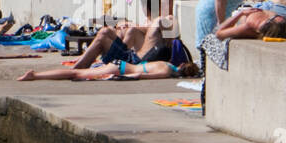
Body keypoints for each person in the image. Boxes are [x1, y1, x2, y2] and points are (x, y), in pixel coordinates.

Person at [64, 17, 175, 70]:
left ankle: (77, 67)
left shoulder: (157, 27)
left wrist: (133, 26)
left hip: (133, 60)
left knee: (103, 34)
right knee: (105, 31)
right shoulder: (152, 32)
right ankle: (80, 61)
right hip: (131, 55)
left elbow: (168, 23)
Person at [19, 60, 200, 82]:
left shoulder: (166, 63)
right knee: (76, 74)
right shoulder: (166, 72)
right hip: (119, 68)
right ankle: (35, 76)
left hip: (120, 63)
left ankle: (36, 75)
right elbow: (139, 75)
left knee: (78, 73)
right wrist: (118, 78)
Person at [214, 7, 286, 43]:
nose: (279, 17)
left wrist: (242, 13)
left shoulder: (251, 25)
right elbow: (218, 34)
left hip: (247, 16)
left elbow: (219, 33)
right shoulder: (284, 24)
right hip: (251, 13)